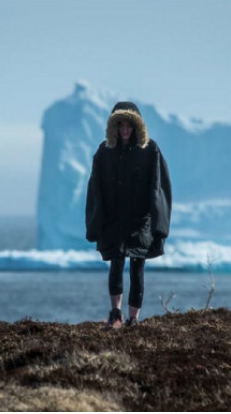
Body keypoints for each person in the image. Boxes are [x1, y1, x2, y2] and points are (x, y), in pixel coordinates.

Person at [86, 101, 172, 328]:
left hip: (140, 223)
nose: (125, 130)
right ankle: (116, 314)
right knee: (116, 264)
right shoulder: (105, 151)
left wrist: (159, 225)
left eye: (129, 126)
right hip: (114, 221)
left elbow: (159, 187)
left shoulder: (150, 150)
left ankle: (133, 319)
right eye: (121, 125)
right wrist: (95, 222)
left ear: (137, 126)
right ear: (114, 127)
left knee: (137, 267)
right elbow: (95, 188)